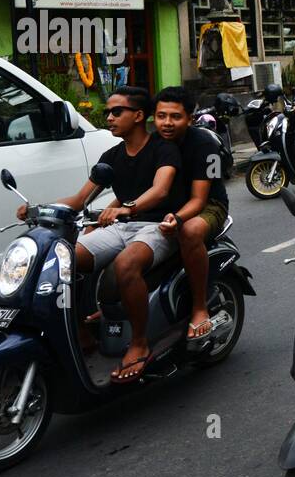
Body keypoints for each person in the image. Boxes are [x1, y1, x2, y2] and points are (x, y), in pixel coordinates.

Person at [24, 86, 182, 383]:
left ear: (138, 115)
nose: (108, 117)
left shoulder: (163, 148)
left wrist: (128, 208)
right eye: (107, 112)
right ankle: (81, 332)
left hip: (159, 226)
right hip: (121, 227)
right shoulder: (111, 156)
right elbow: (78, 199)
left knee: (125, 265)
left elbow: (160, 190)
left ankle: (139, 342)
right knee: (64, 259)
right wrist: (38, 209)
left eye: (116, 111)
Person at [151, 86, 230, 341]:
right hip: (167, 207)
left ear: (189, 118)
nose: (167, 123)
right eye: (161, 116)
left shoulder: (206, 144)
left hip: (209, 205)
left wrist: (179, 218)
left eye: (175, 116)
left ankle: (199, 307)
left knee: (190, 231)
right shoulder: (152, 143)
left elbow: (201, 198)